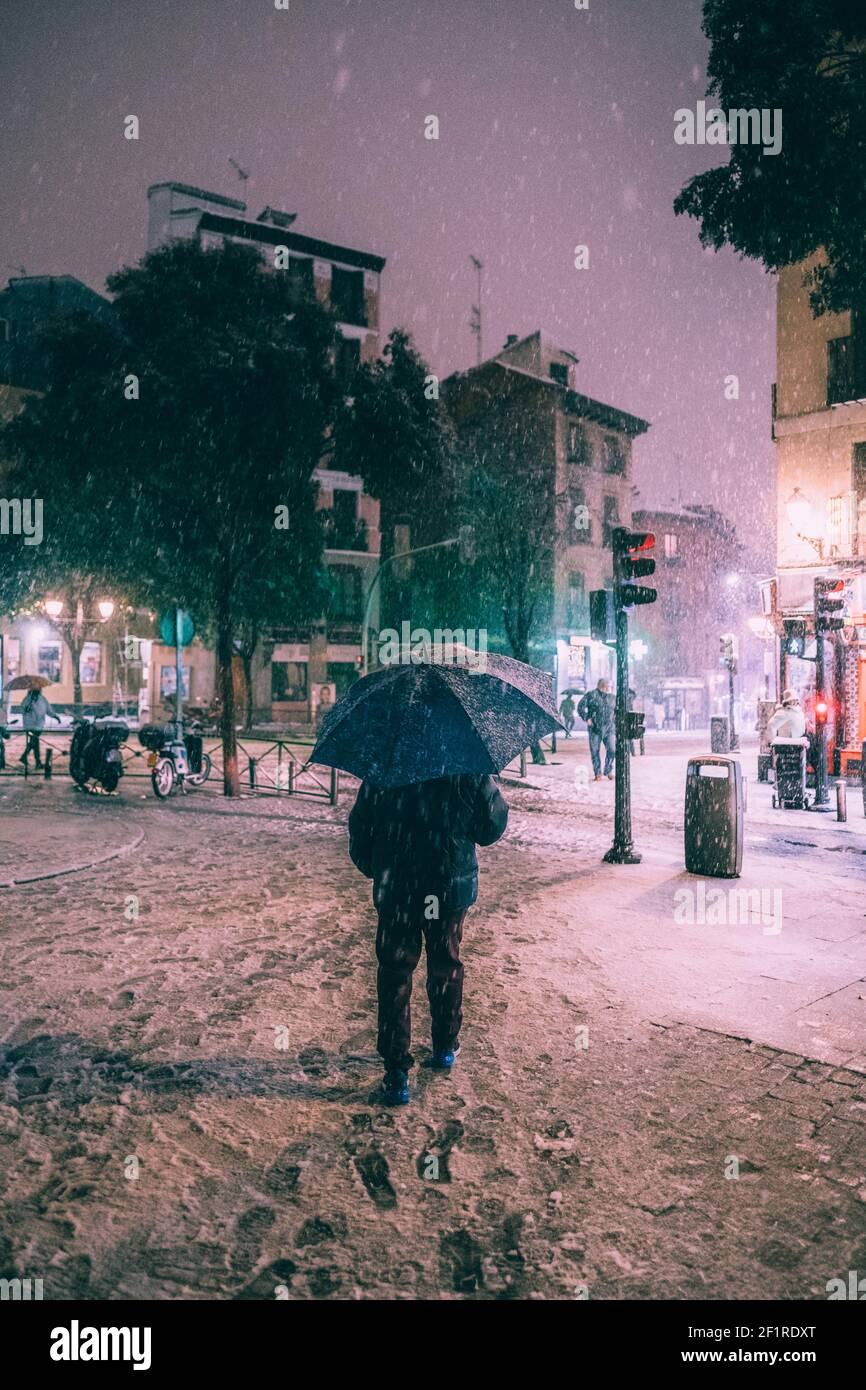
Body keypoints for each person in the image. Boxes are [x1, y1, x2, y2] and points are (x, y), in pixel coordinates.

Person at [348, 772, 508, 1106]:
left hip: (398, 891)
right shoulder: (466, 768)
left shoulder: (385, 770)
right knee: (445, 963)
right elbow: (491, 825)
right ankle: (445, 1046)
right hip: (446, 889)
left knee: (395, 973)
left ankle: (396, 1073)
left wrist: (378, 869)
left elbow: (360, 829)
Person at [577, 678, 616, 780]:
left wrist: (615, 721)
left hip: (610, 728)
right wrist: (586, 718)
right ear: (601, 686)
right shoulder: (591, 695)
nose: (609, 688)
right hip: (595, 728)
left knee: (612, 749)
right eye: (608, 686)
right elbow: (580, 707)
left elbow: (617, 711)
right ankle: (597, 773)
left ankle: (608, 769)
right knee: (595, 751)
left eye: (610, 686)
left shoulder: (612, 698)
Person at [19, 684, 61, 769]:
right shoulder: (27, 699)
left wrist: (55, 716)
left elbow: (48, 710)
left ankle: (33, 760)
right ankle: (31, 759)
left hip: (39, 725)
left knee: (34, 743)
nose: (39, 690)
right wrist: (27, 707)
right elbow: (22, 710)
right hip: (29, 725)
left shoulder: (42, 699)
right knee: (34, 742)